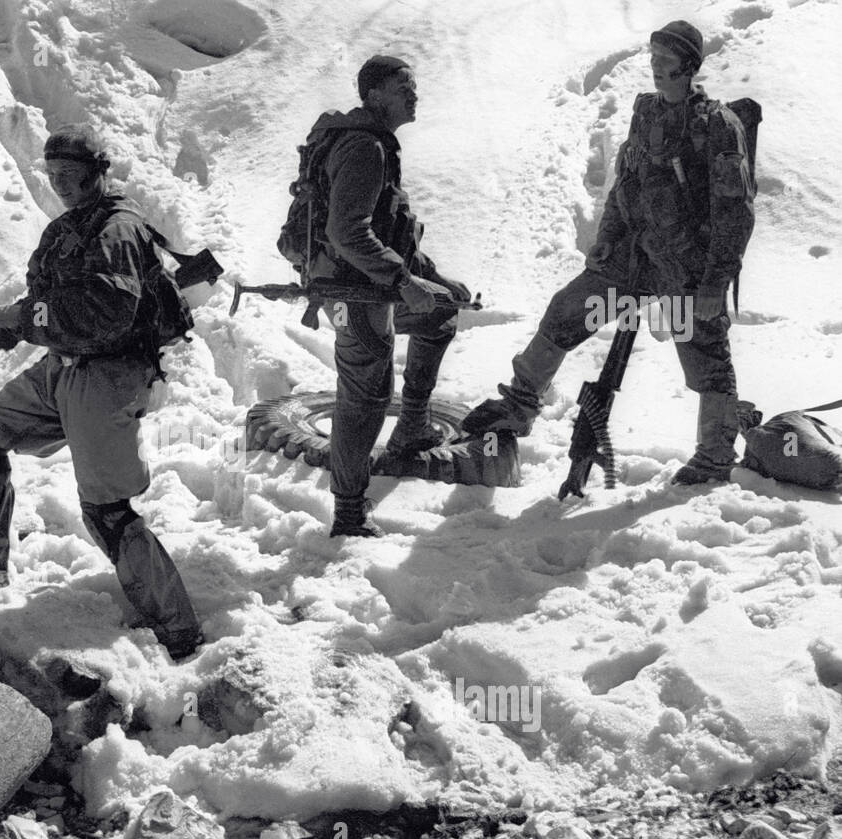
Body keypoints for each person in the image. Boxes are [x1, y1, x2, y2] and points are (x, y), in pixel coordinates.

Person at [0, 126, 203, 661]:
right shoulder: (77, 225)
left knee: (107, 510)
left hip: (107, 375)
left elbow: (106, 309)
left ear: (98, 173)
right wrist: (15, 321)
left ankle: (176, 628)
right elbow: (58, 299)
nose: (62, 185)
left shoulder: (115, 228)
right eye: (54, 175)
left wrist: (22, 318)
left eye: (72, 175)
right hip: (64, 367)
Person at [462, 21, 755, 485]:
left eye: (667, 59)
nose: (656, 67)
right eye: (653, 56)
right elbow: (627, 183)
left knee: (705, 357)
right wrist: (607, 238)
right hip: (633, 258)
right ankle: (519, 405)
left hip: (686, 271)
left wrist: (716, 284)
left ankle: (715, 456)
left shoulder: (718, 126)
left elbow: (734, 213)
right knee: (565, 311)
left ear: (690, 66)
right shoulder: (647, 112)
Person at [306, 55, 472, 537]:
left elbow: (387, 230)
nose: (414, 94)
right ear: (375, 95)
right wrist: (404, 283)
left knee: (440, 315)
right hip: (357, 293)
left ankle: (412, 428)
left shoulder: (375, 144)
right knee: (366, 396)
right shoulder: (364, 148)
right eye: (404, 87)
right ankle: (349, 514)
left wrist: (433, 279)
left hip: (370, 284)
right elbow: (348, 234)